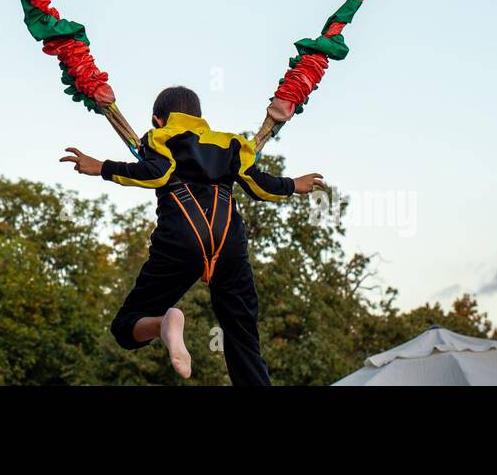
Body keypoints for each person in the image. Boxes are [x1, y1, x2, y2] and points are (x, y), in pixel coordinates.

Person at [61, 86, 324, 385]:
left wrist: (103, 168)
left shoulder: (160, 137)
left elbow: (157, 174)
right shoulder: (232, 143)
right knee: (243, 336)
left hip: (181, 239)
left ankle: (163, 324)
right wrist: (293, 184)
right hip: (229, 243)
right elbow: (258, 185)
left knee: (125, 326)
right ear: (200, 118)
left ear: (158, 119)